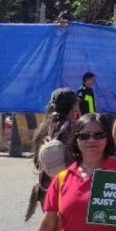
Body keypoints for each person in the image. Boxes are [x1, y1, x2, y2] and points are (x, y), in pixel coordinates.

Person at [27, 87, 81, 221]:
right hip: (65, 188)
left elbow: (37, 160)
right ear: (72, 105)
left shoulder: (44, 127)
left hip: (45, 186)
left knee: (51, 226)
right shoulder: (71, 129)